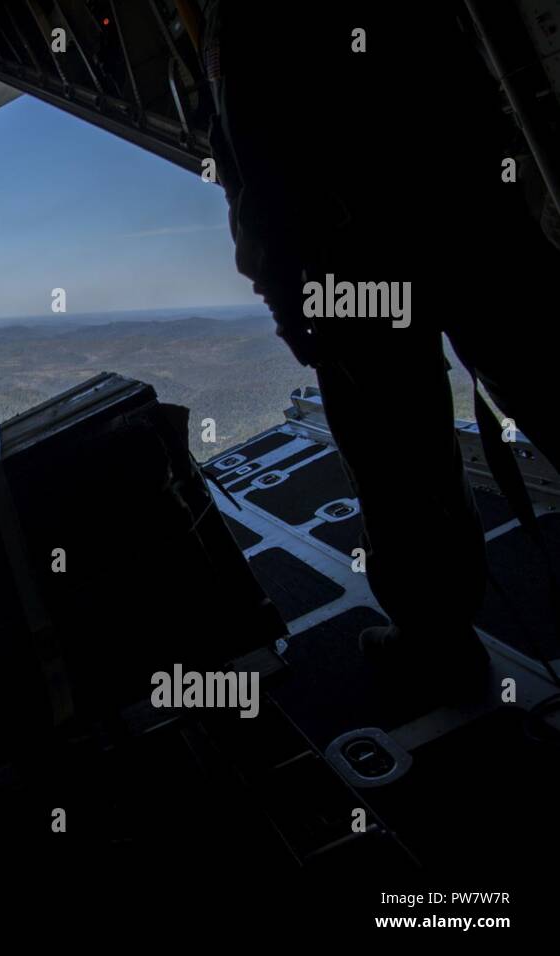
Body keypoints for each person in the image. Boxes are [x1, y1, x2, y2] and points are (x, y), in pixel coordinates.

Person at [204, 2, 560, 693]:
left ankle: (437, 641)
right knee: (545, 382)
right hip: (477, 216)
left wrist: (286, 300)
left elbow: (255, 165)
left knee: (400, 462)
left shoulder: (240, 19)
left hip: (358, 263)